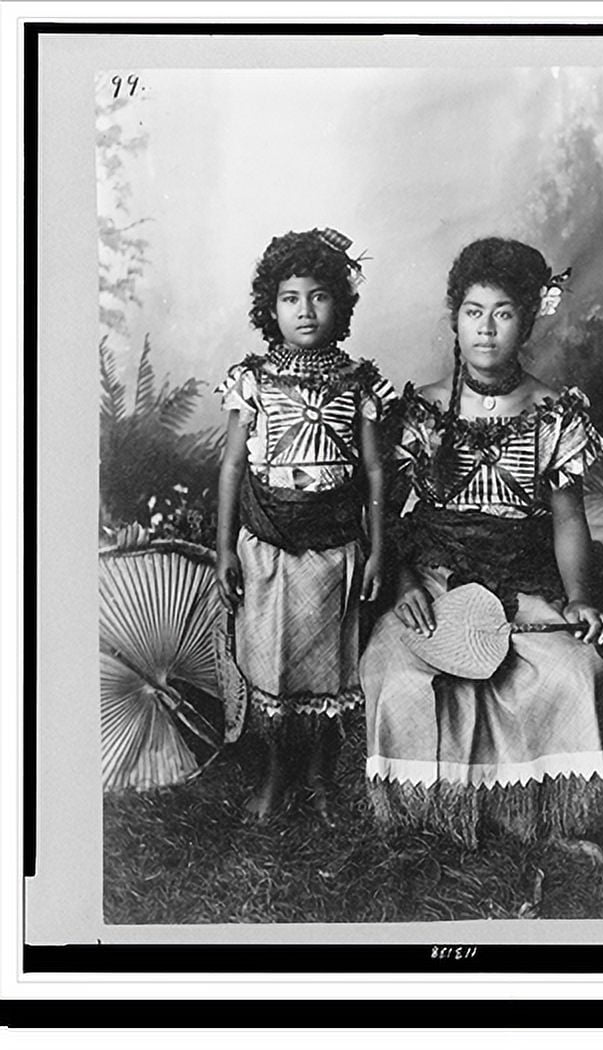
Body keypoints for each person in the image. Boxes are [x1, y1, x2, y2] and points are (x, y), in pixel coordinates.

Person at [360, 236, 603, 855]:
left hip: (525, 583)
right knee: (394, 673)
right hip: (433, 580)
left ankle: (548, 816)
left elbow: (567, 520)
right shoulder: (422, 411)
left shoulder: (553, 412)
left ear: (526, 321)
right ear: (455, 317)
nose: (486, 330)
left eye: (503, 313)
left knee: (564, 671)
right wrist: (403, 588)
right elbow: (395, 518)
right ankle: (426, 818)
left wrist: (579, 598)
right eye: (474, 312)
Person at [215, 227, 396, 824]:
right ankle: (271, 773)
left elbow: (374, 468)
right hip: (267, 548)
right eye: (291, 298)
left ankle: (319, 774)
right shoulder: (255, 379)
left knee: (329, 667)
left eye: (319, 296)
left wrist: (376, 553)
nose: (305, 310)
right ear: (270, 308)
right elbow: (235, 464)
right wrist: (224, 549)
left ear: (340, 304)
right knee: (269, 665)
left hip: (334, 551)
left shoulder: (357, 382)